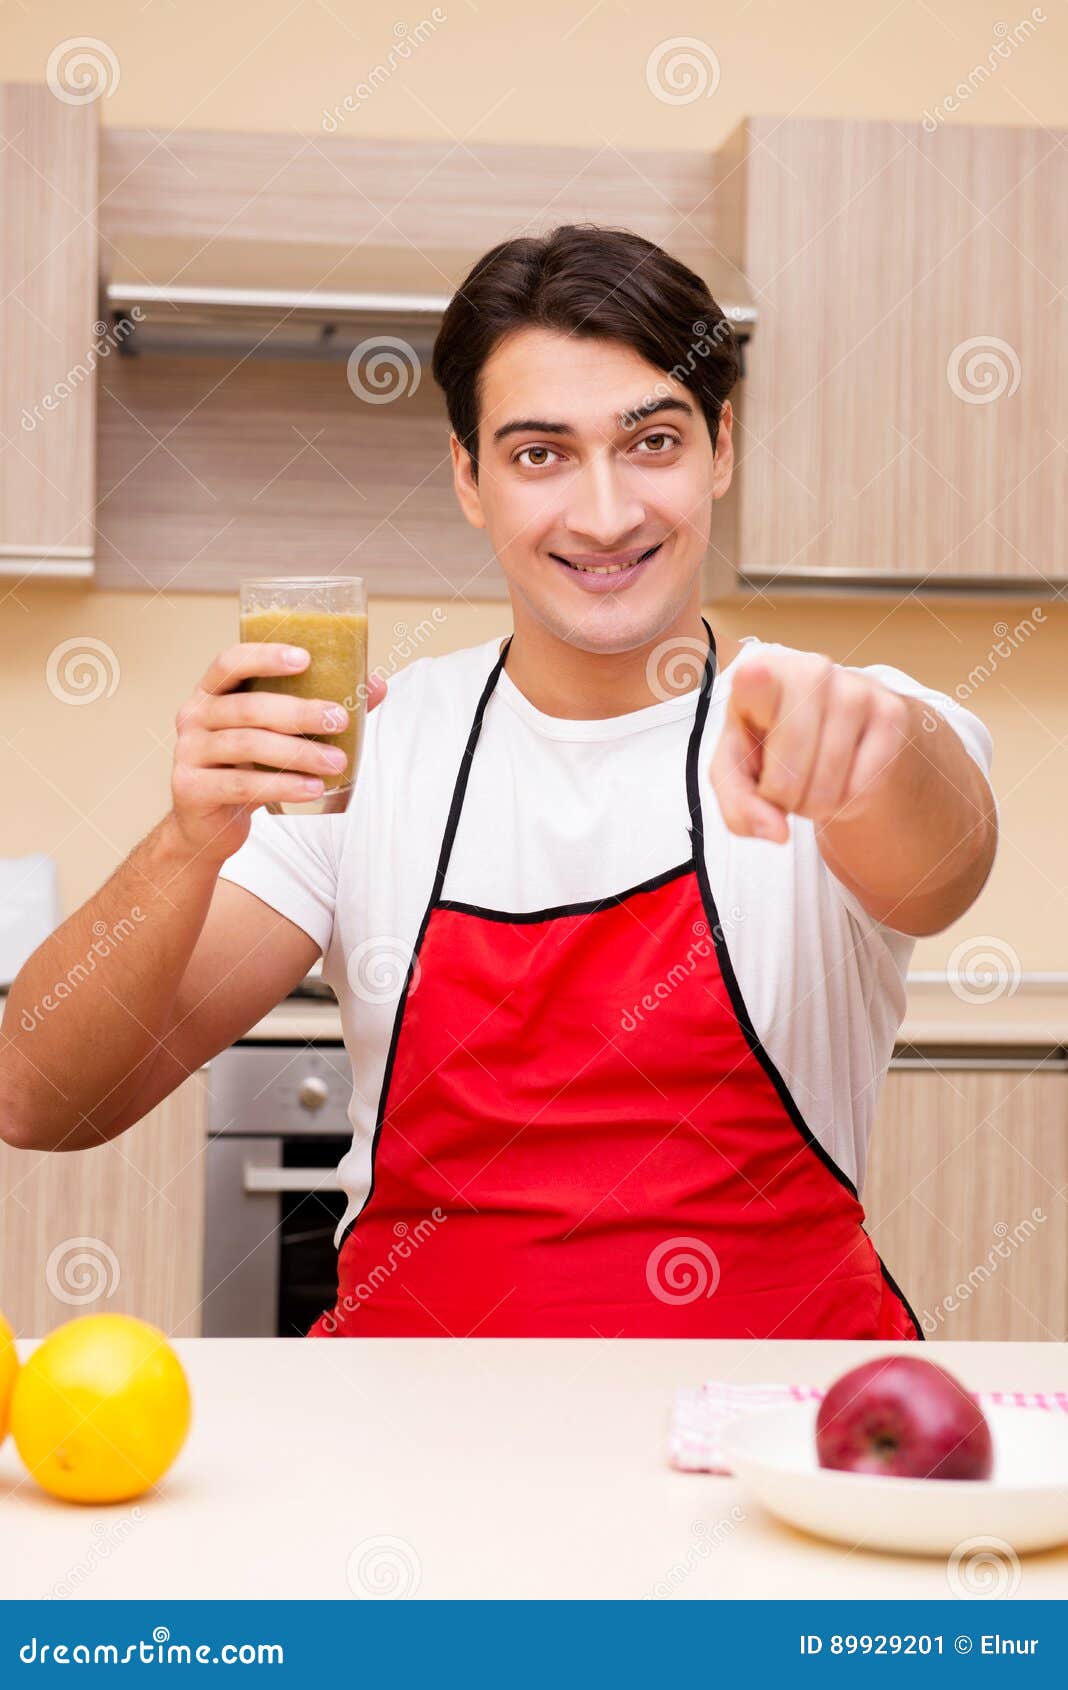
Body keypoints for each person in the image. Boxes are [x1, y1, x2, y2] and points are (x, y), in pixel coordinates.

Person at [0, 225, 997, 1340]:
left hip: (777, 1441)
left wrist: (882, 741)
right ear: (470, 480)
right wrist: (189, 838)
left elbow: (941, 867)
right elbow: (42, 1100)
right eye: (540, 455)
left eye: (652, 442)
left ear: (722, 446)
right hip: (413, 1456)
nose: (607, 513)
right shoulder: (367, 754)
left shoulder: (830, 727)